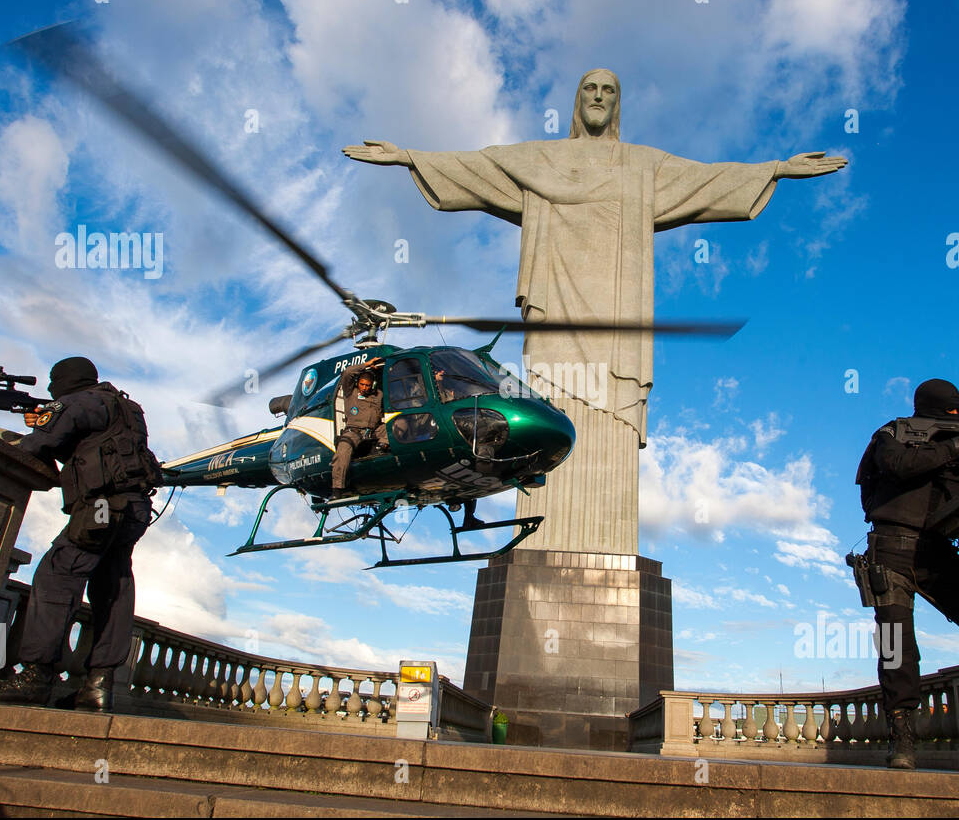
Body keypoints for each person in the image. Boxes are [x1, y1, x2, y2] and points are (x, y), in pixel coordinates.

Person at [343, 69, 846, 556]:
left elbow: (707, 179)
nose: (599, 96)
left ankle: (601, 542)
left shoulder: (642, 166)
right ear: (577, 100)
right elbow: (479, 166)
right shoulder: (540, 159)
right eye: (590, 88)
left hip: (617, 322)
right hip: (555, 316)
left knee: (606, 416)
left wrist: (775, 168)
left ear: (618, 103)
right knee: (545, 400)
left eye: (609, 90)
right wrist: (409, 157)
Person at [0, 357, 162, 711]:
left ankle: (36, 676)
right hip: (133, 510)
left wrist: (36, 429)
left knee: (57, 576)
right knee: (113, 587)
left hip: (100, 509)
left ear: (64, 382)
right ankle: (98, 686)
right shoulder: (128, 408)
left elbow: (37, 446)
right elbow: (95, 448)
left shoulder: (74, 403)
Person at [854, 378, 959, 769]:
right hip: (891, 553)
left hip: (939, 553)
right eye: (954, 410)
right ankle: (903, 741)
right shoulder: (893, 433)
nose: (957, 416)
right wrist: (953, 447)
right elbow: (898, 465)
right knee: (898, 647)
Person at [330, 360, 387, 497]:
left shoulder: (378, 395)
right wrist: (367, 364)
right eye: (362, 384)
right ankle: (337, 489)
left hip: (374, 430)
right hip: (353, 431)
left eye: (367, 385)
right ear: (357, 383)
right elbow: (348, 373)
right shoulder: (350, 392)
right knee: (342, 452)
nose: (364, 388)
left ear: (372, 385)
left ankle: (382, 448)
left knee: (393, 428)